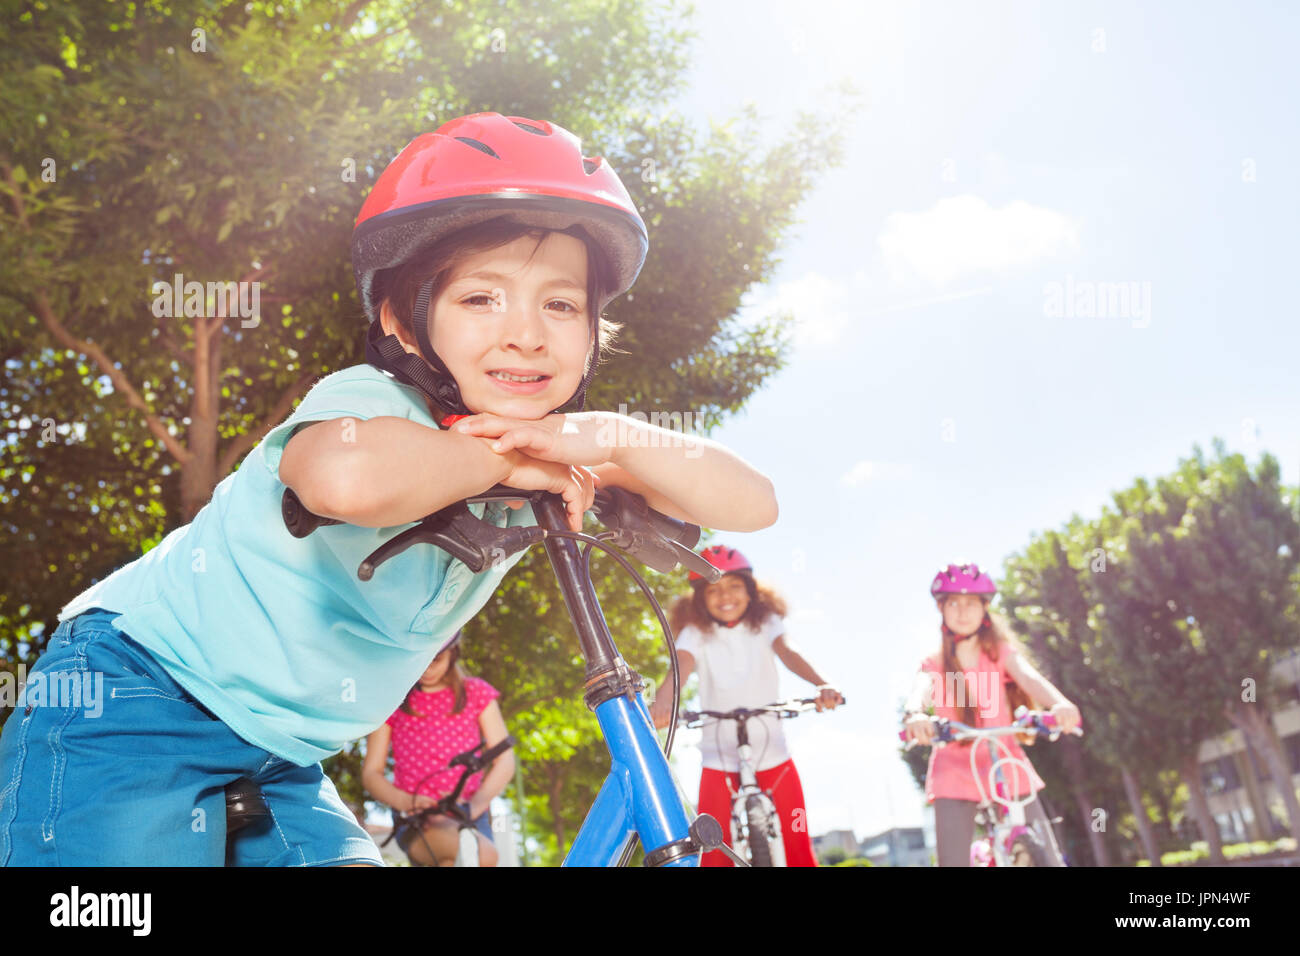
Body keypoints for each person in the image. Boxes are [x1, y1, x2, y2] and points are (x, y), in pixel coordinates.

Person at [0, 113, 778, 866]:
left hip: (281, 757)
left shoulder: (565, 461)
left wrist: (606, 435)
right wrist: (509, 460)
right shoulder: (370, 403)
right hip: (137, 695)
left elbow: (750, 503)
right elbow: (346, 478)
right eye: (481, 298)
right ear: (405, 324)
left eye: (562, 304)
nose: (528, 333)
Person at [649, 545, 842, 866]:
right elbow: (680, 664)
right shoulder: (696, 632)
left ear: (751, 592)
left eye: (734, 585)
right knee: (713, 852)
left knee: (798, 841)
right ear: (699, 599)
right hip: (717, 758)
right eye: (713, 588)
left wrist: (821, 683)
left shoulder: (766, 622)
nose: (725, 595)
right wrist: (664, 701)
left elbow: (788, 651)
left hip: (774, 756)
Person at [901, 563, 1082, 867]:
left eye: (971, 602)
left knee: (1048, 858)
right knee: (953, 862)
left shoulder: (999, 652)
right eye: (953, 603)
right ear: (941, 608)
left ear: (985, 608)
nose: (962, 610)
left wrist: (1060, 704)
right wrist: (914, 714)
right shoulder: (935, 662)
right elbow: (921, 688)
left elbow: (1029, 678)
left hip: (1005, 757)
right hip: (955, 766)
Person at [362, 631, 510, 866]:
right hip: (417, 818)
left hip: (470, 813)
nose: (428, 669)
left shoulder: (477, 693)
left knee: (480, 854)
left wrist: (476, 804)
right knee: (468, 853)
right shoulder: (392, 701)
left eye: (436, 659)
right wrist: (405, 801)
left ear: (453, 653)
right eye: (421, 660)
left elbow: (505, 760)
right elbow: (371, 774)